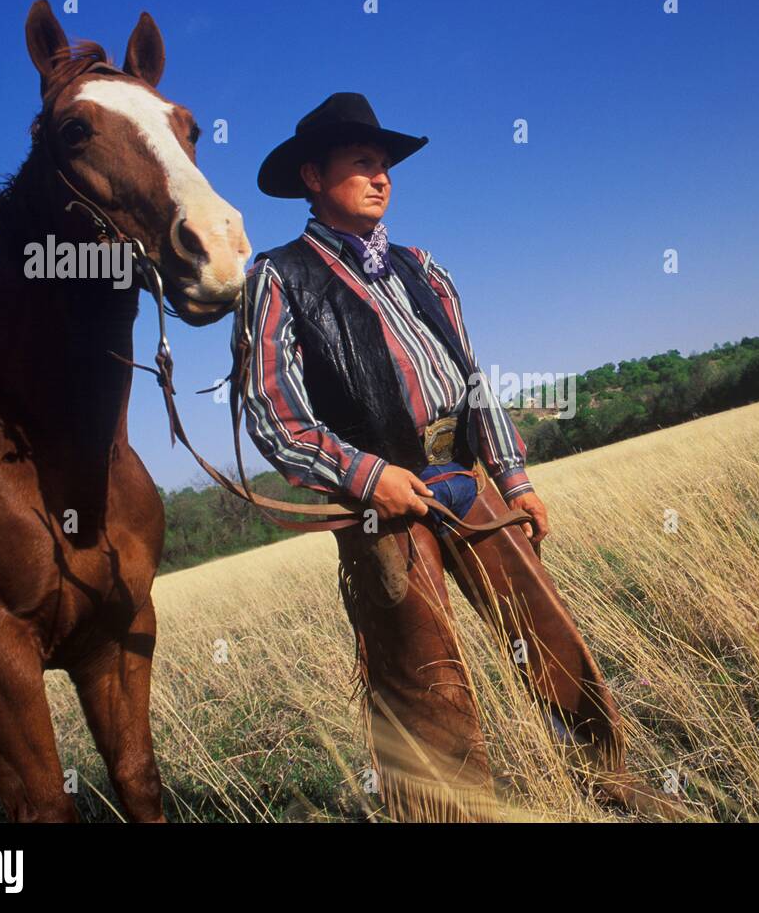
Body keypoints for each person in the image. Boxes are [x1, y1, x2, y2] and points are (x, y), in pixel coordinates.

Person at [243, 92, 681, 820]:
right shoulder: (279, 278)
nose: (381, 178)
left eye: (385, 165)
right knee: (426, 677)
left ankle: (611, 784)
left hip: (463, 479)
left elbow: (475, 382)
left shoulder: (424, 268)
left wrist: (516, 478)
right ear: (314, 178)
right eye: (362, 163)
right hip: (380, 505)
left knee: (547, 631)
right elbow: (272, 414)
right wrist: (367, 476)